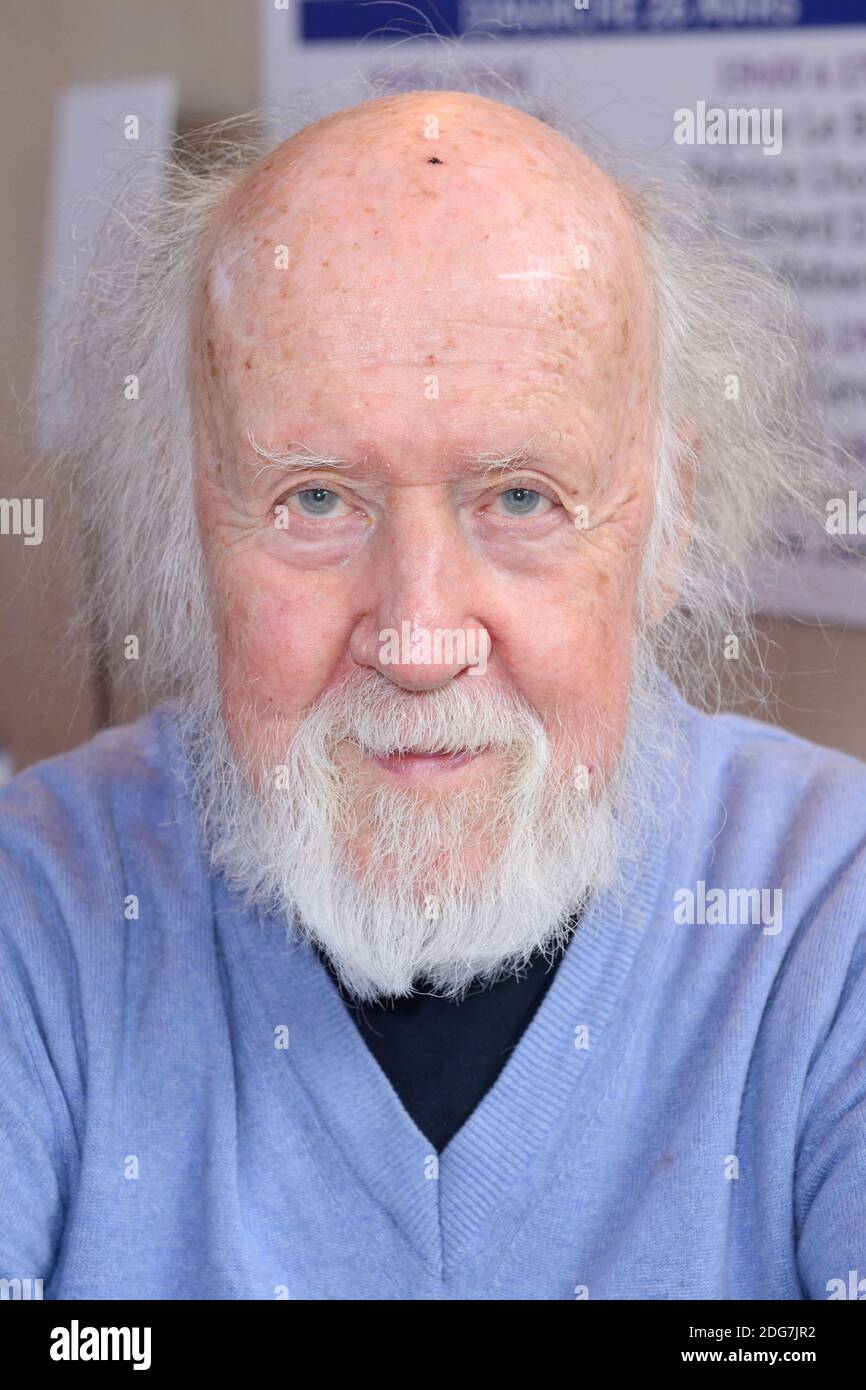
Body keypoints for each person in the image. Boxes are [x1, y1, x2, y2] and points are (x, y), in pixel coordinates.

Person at [1, 86, 864, 1301]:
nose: (415, 639)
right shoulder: (36, 911)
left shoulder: (832, 922)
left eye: (519, 498)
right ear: (194, 516)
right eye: (313, 498)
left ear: (661, 526)